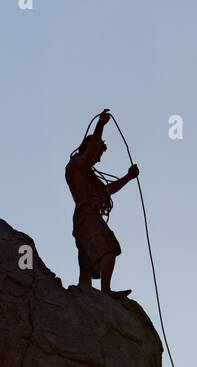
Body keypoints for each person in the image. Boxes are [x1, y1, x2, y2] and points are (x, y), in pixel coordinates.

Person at [65, 110, 139, 296]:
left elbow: (107, 190)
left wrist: (128, 177)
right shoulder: (76, 165)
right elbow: (90, 151)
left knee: (87, 265)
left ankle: (86, 296)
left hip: (83, 218)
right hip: (87, 214)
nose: (98, 159)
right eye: (98, 154)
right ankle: (105, 291)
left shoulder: (88, 174)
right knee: (109, 248)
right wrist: (101, 125)